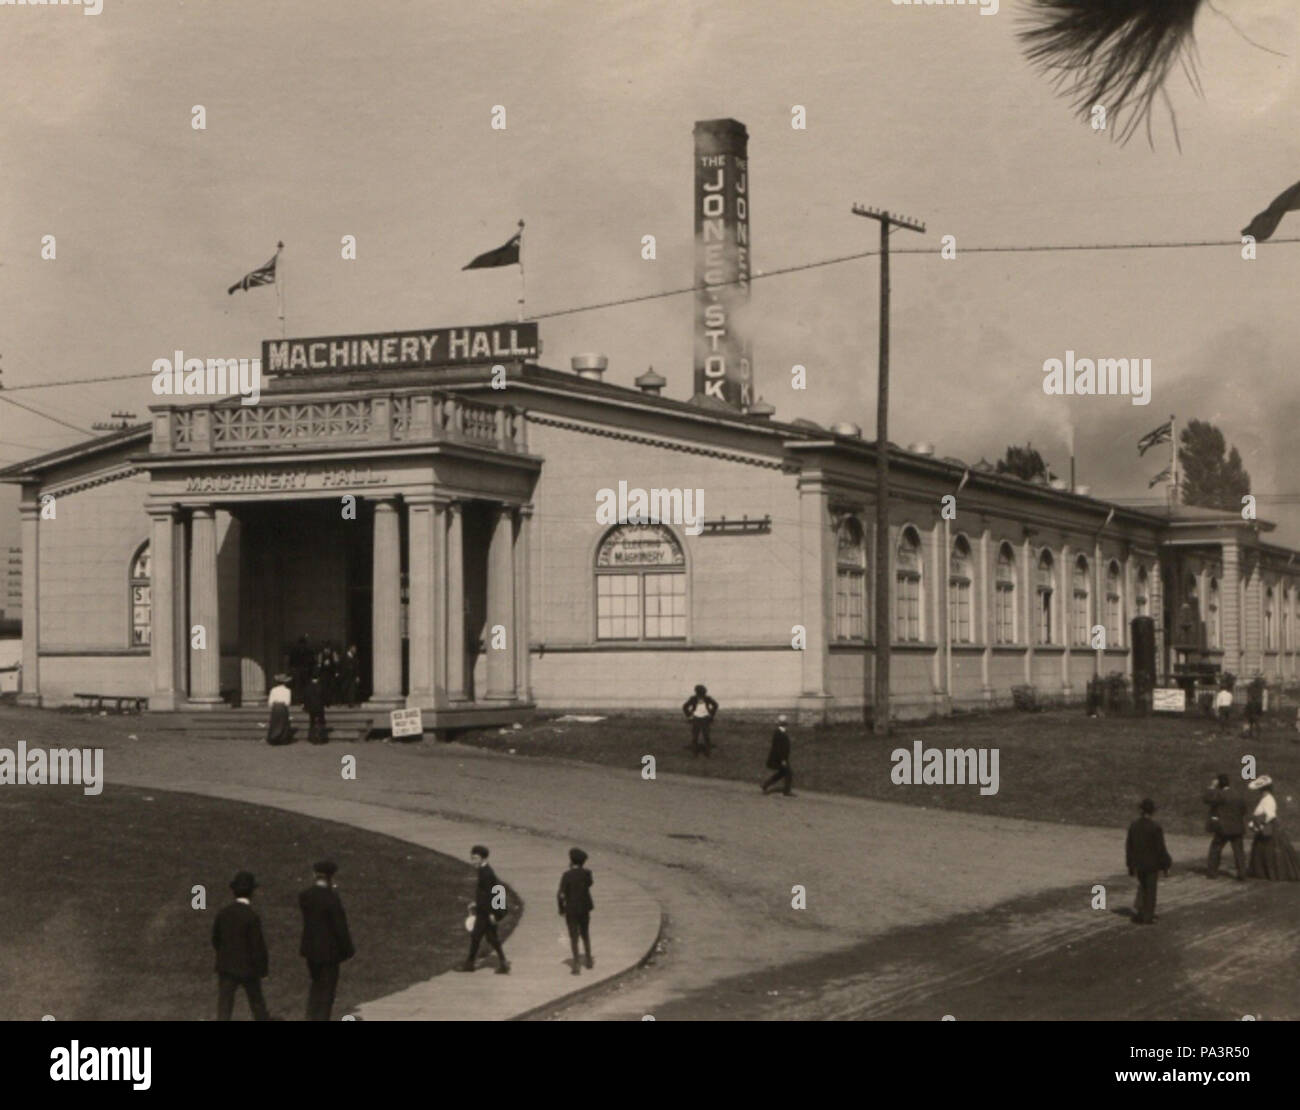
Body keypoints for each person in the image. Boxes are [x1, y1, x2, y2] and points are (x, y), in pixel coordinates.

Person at [298, 860, 355, 1021]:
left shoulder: (305, 896)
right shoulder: (332, 899)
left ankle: (310, 1017)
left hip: (311, 949)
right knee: (327, 991)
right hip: (330, 951)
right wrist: (348, 950)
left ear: (314, 875)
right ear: (331, 877)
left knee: (315, 986)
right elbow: (340, 927)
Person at [212, 871, 271, 1021]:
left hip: (226, 966)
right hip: (248, 967)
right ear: (252, 892)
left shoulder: (223, 913)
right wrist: (263, 969)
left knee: (224, 1005)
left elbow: (215, 939)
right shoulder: (251, 916)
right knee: (257, 1003)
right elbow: (257, 946)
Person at [457, 845, 510, 974]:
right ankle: (503, 963)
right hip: (484, 910)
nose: (472, 861)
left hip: (486, 912)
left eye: (475, 858)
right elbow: (486, 893)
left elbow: (491, 893)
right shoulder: (484, 870)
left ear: (482, 858)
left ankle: (469, 964)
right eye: (472, 858)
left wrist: (492, 912)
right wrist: (476, 903)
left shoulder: (486, 873)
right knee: (491, 937)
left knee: (477, 936)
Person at [1125, 798, 1172, 925]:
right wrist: (1166, 864)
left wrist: (1130, 864)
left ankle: (1140, 912)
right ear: (1153, 812)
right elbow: (1160, 848)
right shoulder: (1155, 827)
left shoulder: (1134, 826)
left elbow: (1129, 846)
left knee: (1142, 886)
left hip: (1139, 863)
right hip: (1152, 864)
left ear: (1141, 810)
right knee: (1150, 890)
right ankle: (1148, 916)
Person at [1247, 776, 1300, 881]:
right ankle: (1266, 872)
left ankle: (1274, 873)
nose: (1260, 791)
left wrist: (1259, 824)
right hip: (1266, 825)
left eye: (1261, 789)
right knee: (1264, 850)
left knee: (1271, 850)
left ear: (1265, 789)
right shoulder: (1265, 798)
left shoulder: (1268, 799)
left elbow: (1270, 815)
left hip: (1269, 826)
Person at [557, 847, 594, 974]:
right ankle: (589, 960)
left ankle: (576, 963)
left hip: (571, 909)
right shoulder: (587, 873)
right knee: (585, 933)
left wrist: (561, 908)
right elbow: (589, 884)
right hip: (584, 908)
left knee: (574, 936)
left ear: (571, 861)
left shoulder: (566, 875)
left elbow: (561, 894)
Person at [1203, 773, 1247, 880]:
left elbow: (1206, 799)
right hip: (1237, 827)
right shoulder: (1238, 795)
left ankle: (1212, 873)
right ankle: (1242, 874)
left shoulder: (1220, 795)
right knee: (1239, 852)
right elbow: (1244, 810)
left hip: (1223, 828)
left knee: (1215, 849)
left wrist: (1212, 787)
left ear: (1219, 784)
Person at [761, 714, 795, 796]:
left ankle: (765, 785)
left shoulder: (782, 732)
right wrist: (783, 759)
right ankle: (786, 791)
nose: (785, 723)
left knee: (783, 773)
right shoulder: (778, 733)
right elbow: (779, 748)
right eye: (784, 722)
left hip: (781, 758)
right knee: (788, 773)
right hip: (779, 758)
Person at [682, 683, 719, 757]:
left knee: (706, 736)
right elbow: (685, 707)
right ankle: (695, 753)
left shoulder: (707, 698)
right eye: (700, 692)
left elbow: (715, 705)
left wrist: (711, 714)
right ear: (697, 692)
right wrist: (689, 716)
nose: (701, 694)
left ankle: (707, 753)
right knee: (696, 737)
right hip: (696, 719)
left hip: (705, 719)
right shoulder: (693, 699)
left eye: (702, 692)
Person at [266, 673, 294, 746]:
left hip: (275, 707)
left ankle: (273, 738)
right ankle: (282, 738)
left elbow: (270, 701)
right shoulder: (287, 690)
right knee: (283, 722)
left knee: (275, 722)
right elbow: (288, 702)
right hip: (283, 707)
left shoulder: (273, 690)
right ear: (285, 682)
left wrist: (273, 706)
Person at [303, 671, 328, 745]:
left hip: (311, 708)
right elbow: (324, 696)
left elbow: (305, 698)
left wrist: (306, 707)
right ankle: (321, 738)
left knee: (312, 722)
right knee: (321, 722)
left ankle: (312, 738)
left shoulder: (308, 687)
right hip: (320, 707)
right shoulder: (321, 686)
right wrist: (326, 704)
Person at [290, 635, 313, 705]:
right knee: (298, 686)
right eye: (301, 644)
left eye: (303, 644)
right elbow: (291, 662)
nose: (302, 645)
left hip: (305, 670)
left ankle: (305, 700)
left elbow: (311, 661)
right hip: (298, 670)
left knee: (305, 686)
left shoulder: (308, 651)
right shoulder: (294, 651)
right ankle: (298, 700)